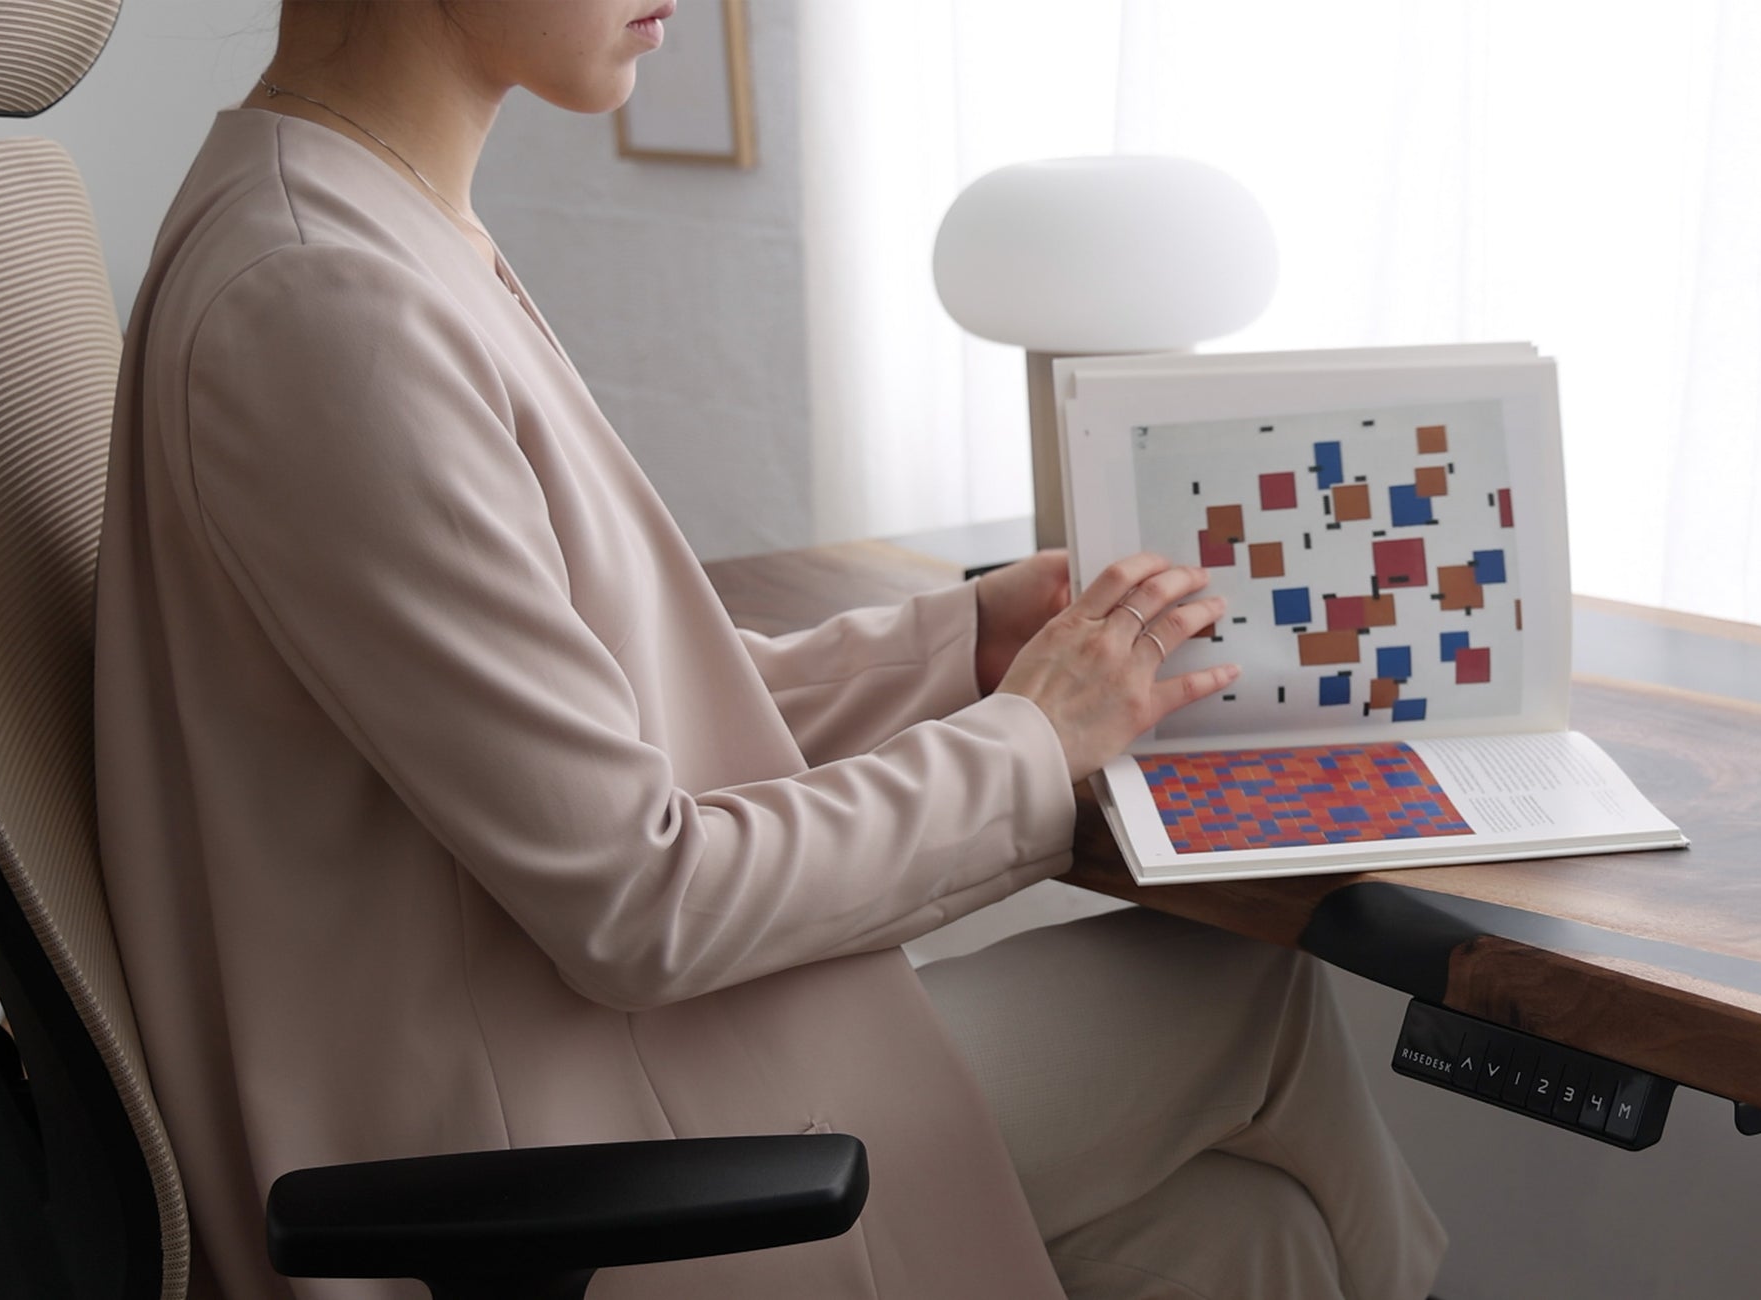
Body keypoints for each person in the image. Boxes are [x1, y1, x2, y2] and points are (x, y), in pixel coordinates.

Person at [92, 2, 1446, 1296]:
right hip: (542, 1148)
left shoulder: (363, 220)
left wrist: (961, 646)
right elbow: (643, 901)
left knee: (1239, 1241)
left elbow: (600, 725)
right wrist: (1034, 740)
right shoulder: (331, 299)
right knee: (1251, 997)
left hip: (560, 1058)